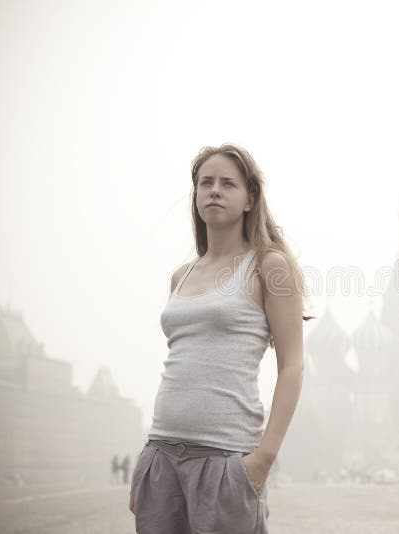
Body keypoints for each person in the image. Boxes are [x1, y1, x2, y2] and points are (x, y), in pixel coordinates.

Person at [128, 144, 312, 534]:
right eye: (205, 182)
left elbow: (293, 367)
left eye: (228, 184)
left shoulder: (269, 266)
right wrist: (148, 459)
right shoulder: (181, 275)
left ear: (250, 199)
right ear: (195, 196)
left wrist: (263, 458)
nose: (215, 190)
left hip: (225, 460)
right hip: (161, 454)